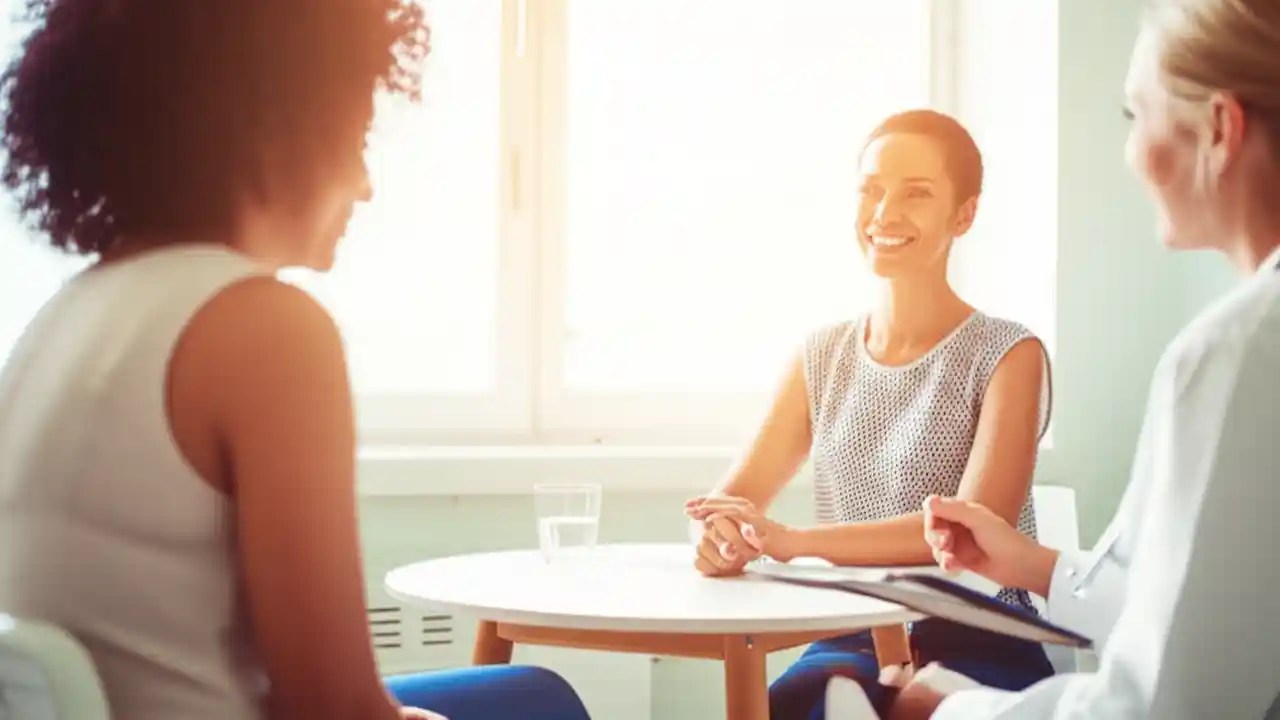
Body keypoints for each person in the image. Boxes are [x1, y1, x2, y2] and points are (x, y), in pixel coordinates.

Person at [0, 2, 589, 719]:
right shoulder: (267, 330)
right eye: (360, 134)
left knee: (529, 693)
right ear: (279, 128)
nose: (366, 182)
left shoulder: (62, 319)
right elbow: (332, 708)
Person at [848, 0, 1280, 717]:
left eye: (1134, 116)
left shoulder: (1236, 355)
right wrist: (1031, 565)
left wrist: (951, 709)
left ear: (1220, 131)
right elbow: (1207, 609)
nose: (1129, 152)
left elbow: (1165, 705)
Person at [684, 109, 1055, 719]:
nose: (884, 213)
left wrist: (794, 542)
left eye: (916, 194)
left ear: (964, 214)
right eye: (872, 190)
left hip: (979, 639)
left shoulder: (1009, 354)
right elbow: (733, 502)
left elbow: (967, 536)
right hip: (848, 635)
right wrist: (721, 538)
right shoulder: (820, 355)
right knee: (792, 705)